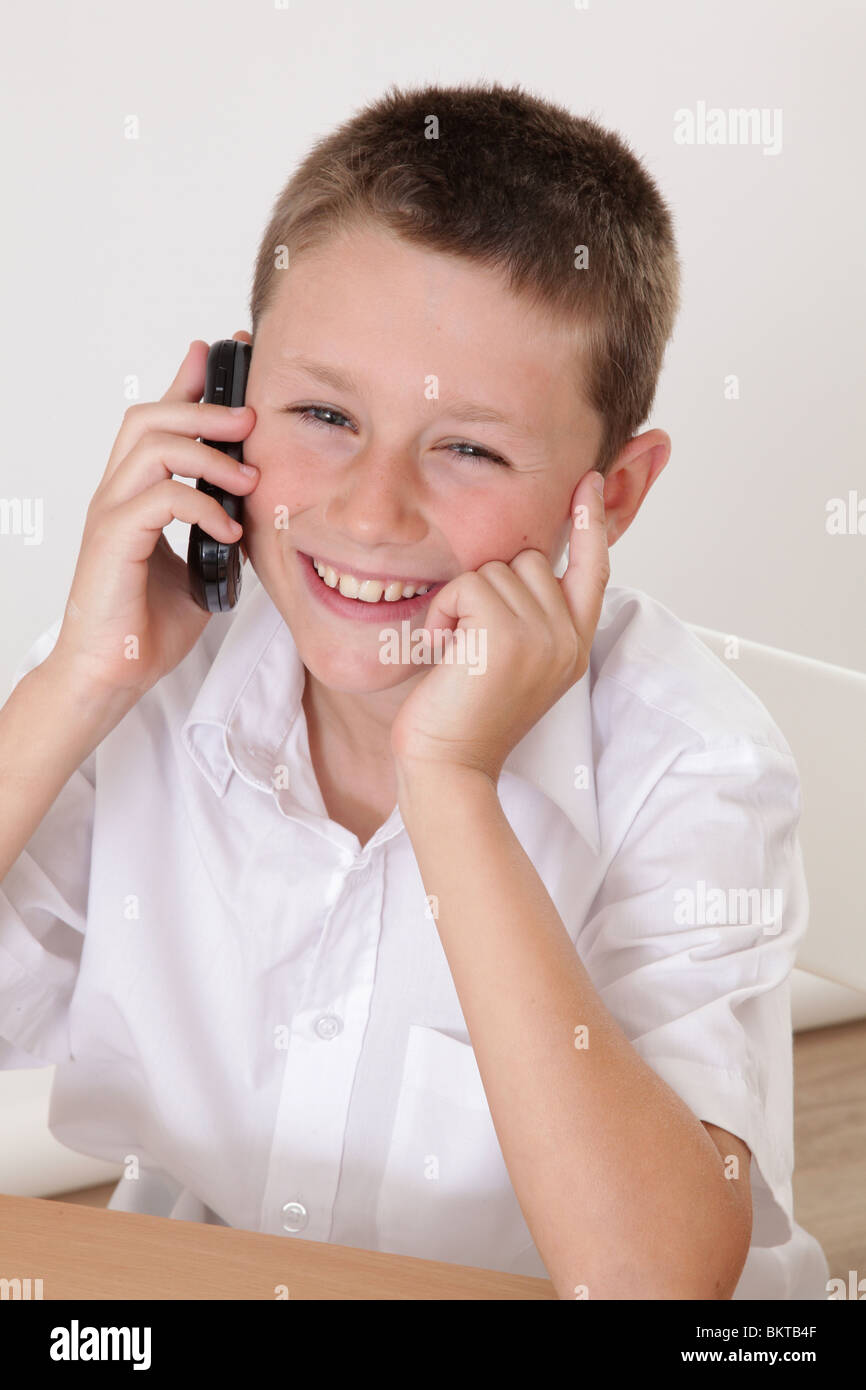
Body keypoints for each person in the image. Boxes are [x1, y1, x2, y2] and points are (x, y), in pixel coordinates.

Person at [0, 80, 829, 1299]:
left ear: (615, 493)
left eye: (469, 448)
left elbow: (651, 1284)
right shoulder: (151, 681)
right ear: (223, 406)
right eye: (324, 413)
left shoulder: (690, 760)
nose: (368, 509)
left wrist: (450, 784)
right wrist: (77, 679)